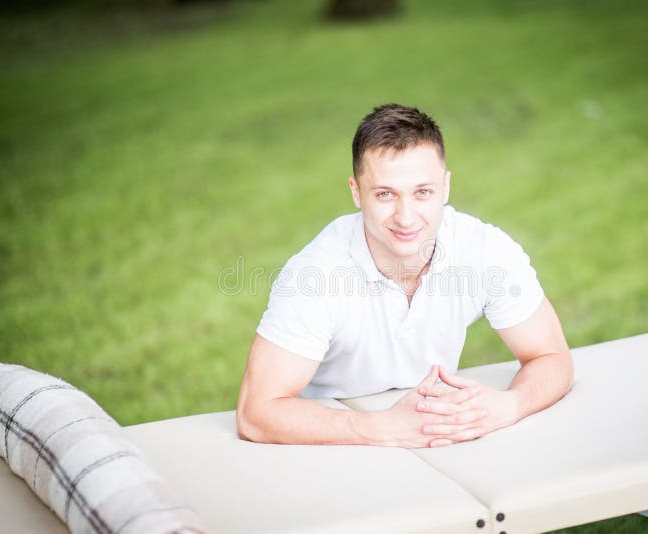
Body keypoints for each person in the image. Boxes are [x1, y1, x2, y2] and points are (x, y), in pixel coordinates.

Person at [236, 103, 573, 448]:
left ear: (445, 187)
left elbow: (551, 357)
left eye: (422, 192)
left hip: (432, 438)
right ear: (356, 192)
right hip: (333, 443)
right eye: (385, 194)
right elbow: (256, 412)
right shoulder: (315, 274)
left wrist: (508, 406)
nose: (406, 218)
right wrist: (380, 428)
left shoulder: (484, 250)